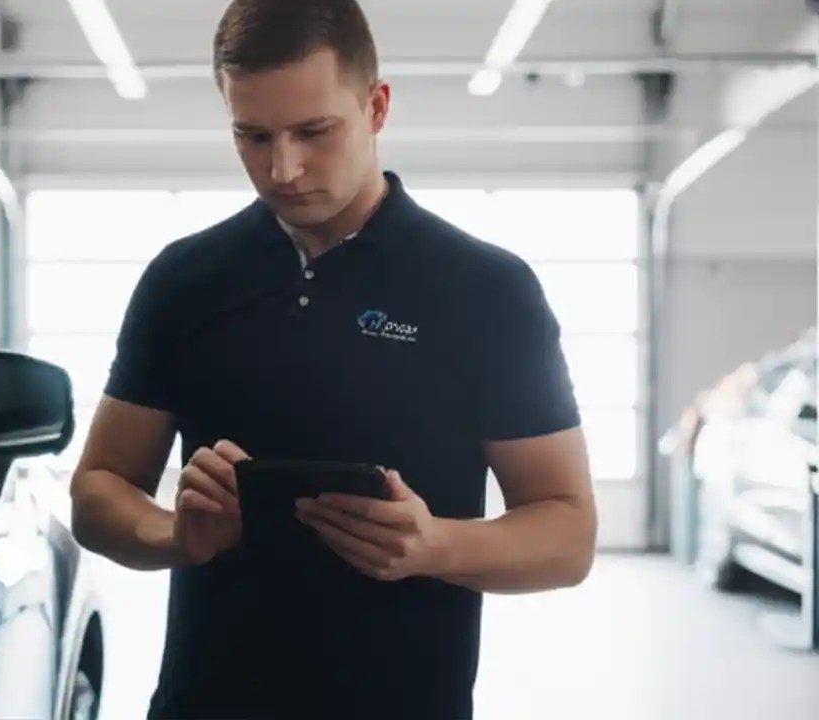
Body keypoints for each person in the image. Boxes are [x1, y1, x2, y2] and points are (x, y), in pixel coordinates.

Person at [69, 0, 598, 717]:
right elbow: (98, 489)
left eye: (314, 132)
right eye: (253, 136)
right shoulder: (185, 281)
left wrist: (435, 545)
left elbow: (567, 532)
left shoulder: (484, 290)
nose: (283, 168)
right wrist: (174, 534)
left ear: (377, 107)